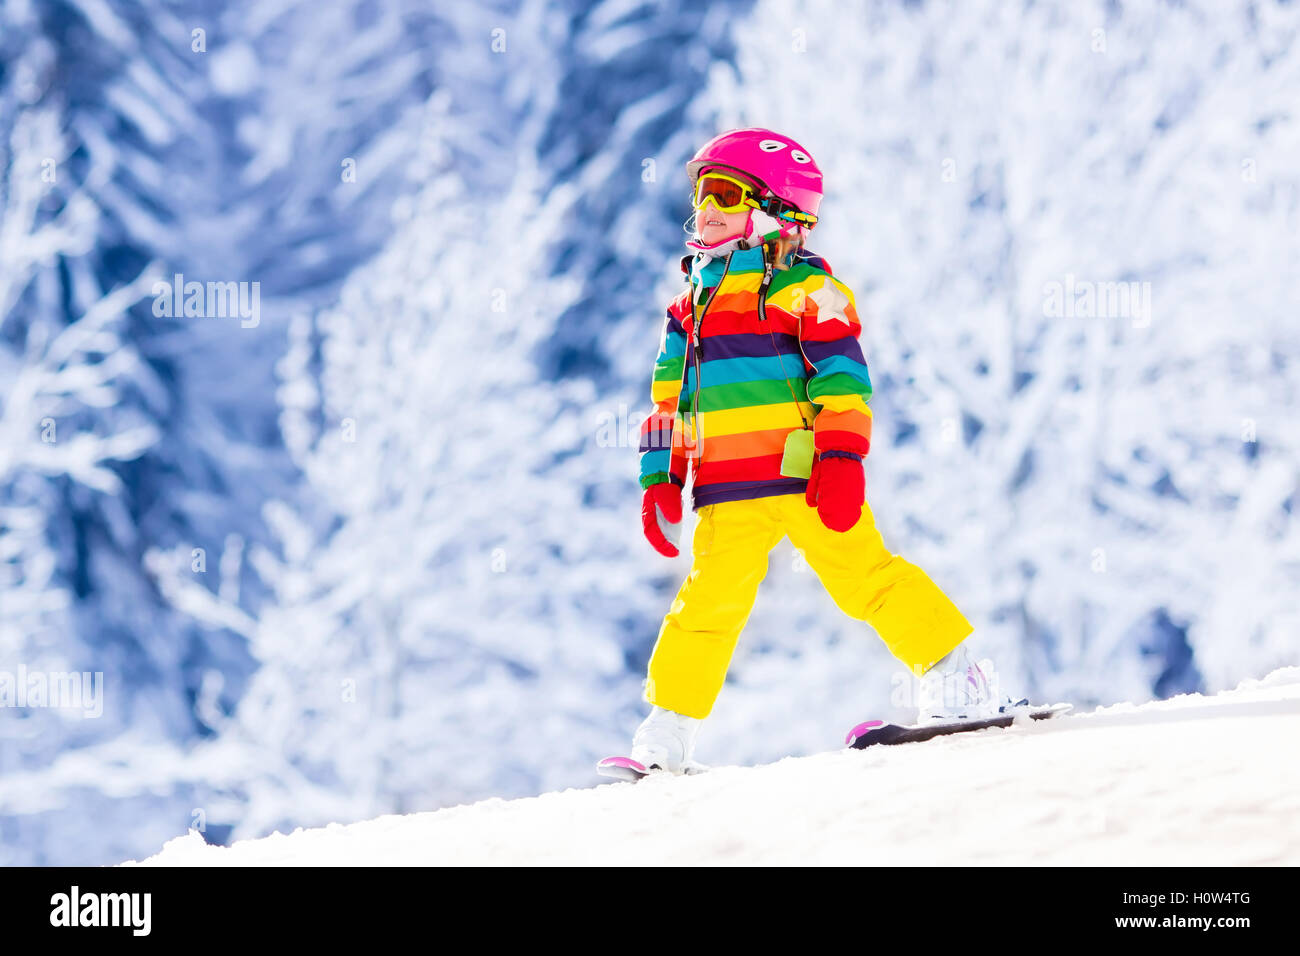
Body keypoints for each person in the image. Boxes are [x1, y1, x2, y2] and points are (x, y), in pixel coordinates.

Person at [630, 128, 1019, 774]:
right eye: (701, 193)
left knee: (866, 578)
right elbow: (671, 400)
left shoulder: (809, 290)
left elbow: (843, 380)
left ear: (774, 210)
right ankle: (667, 734)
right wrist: (661, 476)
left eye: (724, 193)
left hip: (804, 478)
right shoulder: (688, 310)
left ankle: (959, 675)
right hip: (727, 492)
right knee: (704, 609)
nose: (706, 207)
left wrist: (841, 459)